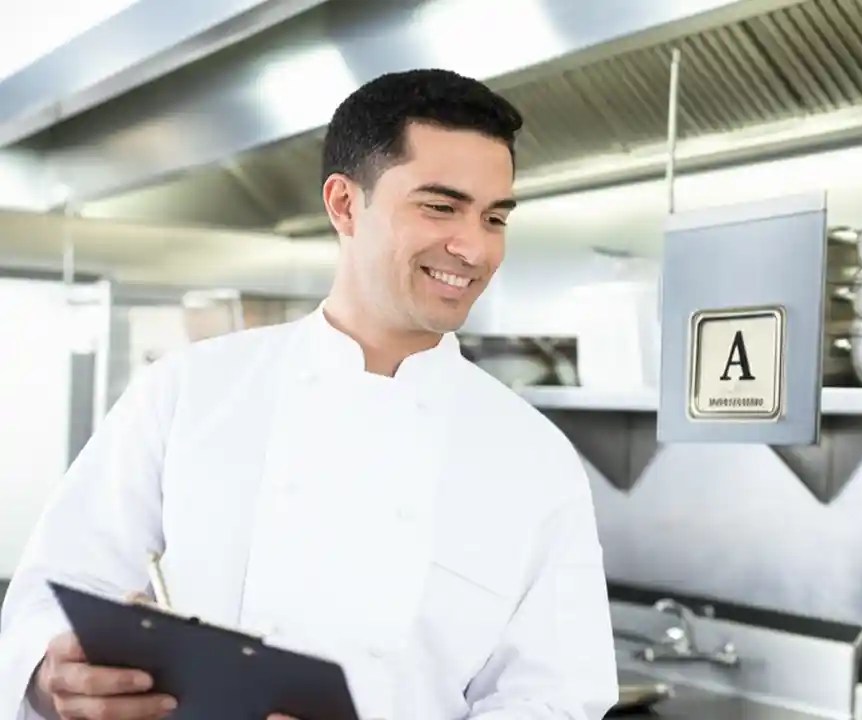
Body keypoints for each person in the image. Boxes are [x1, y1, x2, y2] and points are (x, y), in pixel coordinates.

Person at [0, 69, 620, 719]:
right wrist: (52, 674)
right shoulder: (188, 394)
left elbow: (555, 698)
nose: (474, 247)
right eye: (440, 207)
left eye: (494, 217)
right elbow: (52, 596)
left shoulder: (533, 458)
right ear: (345, 205)